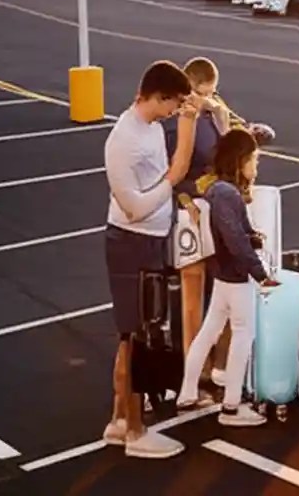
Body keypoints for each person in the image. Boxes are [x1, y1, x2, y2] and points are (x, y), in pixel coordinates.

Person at [101, 60, 202, 459]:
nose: (176, 110)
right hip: (131, 242)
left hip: (150, 241)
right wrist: (171, 183)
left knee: (134, 336)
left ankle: (120, 419)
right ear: (158, 96)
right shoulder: (122, 140)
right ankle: (136, 433)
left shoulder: (153, 128)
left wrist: (196, 112)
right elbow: (132, 207)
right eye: (174, 104)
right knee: (135, 338)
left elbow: (173, 166)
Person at [175, 128, 280, 426]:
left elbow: (237, 232)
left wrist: (251, 237)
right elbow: (234, 238)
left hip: (222, 276)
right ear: (240, 160)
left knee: (208, 332)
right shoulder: (227, 194)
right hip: (235, 279)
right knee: (244, 334)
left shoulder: (217, 189)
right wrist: (261, 275)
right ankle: (232, 406)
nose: (256, 167)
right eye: (254, 160)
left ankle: (187, 392)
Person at [163, 57, 229, 387]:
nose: (206, 98)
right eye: (204, 92)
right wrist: (186, 201)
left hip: (214, 208)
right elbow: (171, 173)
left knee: (220, 290)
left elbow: (226, 155)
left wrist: (219, 113)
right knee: (192, 292)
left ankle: (216, 361)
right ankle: (193, 366)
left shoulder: (210, 114)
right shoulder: (177, 123)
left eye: (212, 93)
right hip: (189, 211)